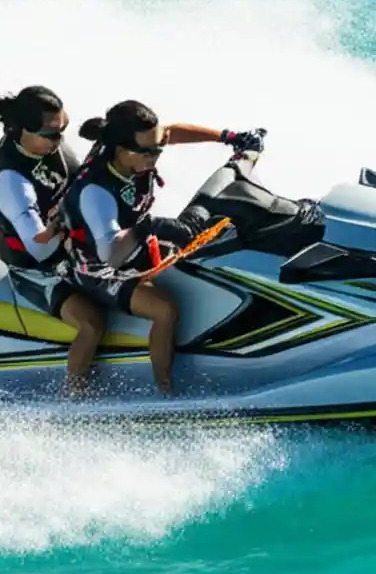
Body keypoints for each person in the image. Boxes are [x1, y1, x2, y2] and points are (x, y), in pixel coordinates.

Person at [59, 99, 263, 394]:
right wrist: (148, 227)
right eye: (149, 151)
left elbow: (171, 132)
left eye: (158, 149)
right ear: (121, 149)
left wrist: (228, 137)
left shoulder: (139, 146)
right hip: (96, 268)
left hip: (135, 245)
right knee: (166, 310)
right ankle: (164, 390)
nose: (156, 154)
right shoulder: (96, 192)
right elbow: (111, 255)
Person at [0, 86, 105, 394]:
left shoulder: (46, 143)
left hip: (73, 248)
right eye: (51, 134)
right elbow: (40, 248)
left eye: (63, 130)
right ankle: (75, 398)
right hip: (36, 269)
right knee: (92, 323)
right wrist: (71, 221)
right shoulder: (11, 181)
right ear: (20, 131)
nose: (59, 140)